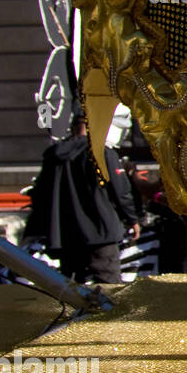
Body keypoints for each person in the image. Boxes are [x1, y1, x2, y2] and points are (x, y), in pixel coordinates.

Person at [23, 112, 140, 284]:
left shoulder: (53, 156)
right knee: (108, 283)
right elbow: (121, 191)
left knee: (71, 286)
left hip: (66, 233)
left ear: (72, 127)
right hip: (101, 231)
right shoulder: (102, 152)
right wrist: (132, 219)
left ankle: (76, 312)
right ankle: (108, 311)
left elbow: (40, 195)